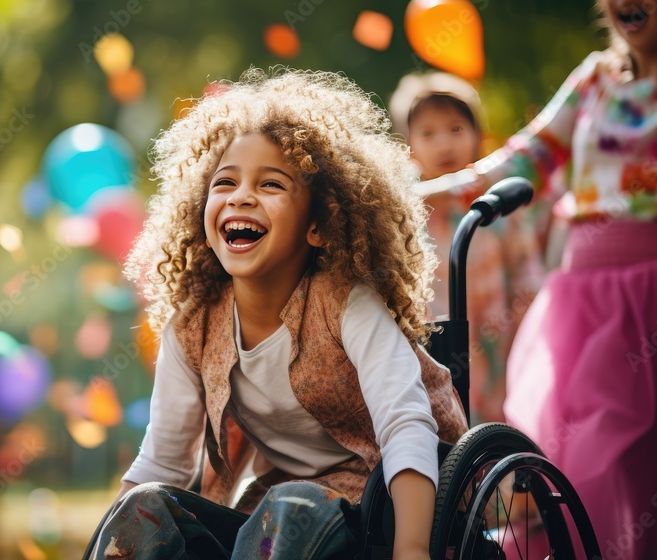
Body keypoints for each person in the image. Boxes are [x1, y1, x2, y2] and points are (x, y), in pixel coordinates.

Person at [86, 68, 468, 560]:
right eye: (225, 182)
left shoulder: (347, 303)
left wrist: (413, 549)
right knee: (146, 507)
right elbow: (162, 460)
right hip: (274, 512)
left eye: (271, 184)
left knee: (289, 509)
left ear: (318, 225)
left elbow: (405, 426)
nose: (241, 195)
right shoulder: (195, 324)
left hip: (385, 502)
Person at [436, 0, 657, 557]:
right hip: (582, 313)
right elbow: (515, 163)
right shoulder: (596, 79)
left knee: (653, 493)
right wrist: (391, 192)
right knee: (577, 481)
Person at [389, 72, 544, 422]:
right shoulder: (404, 206)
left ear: (477, 135)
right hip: (430, 344)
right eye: (428, 133)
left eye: (456, 129)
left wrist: (531, 330)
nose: (444, 143)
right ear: (409, 144)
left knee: (494, 429)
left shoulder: (497, 201)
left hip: (496, 341)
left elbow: (526, 271)